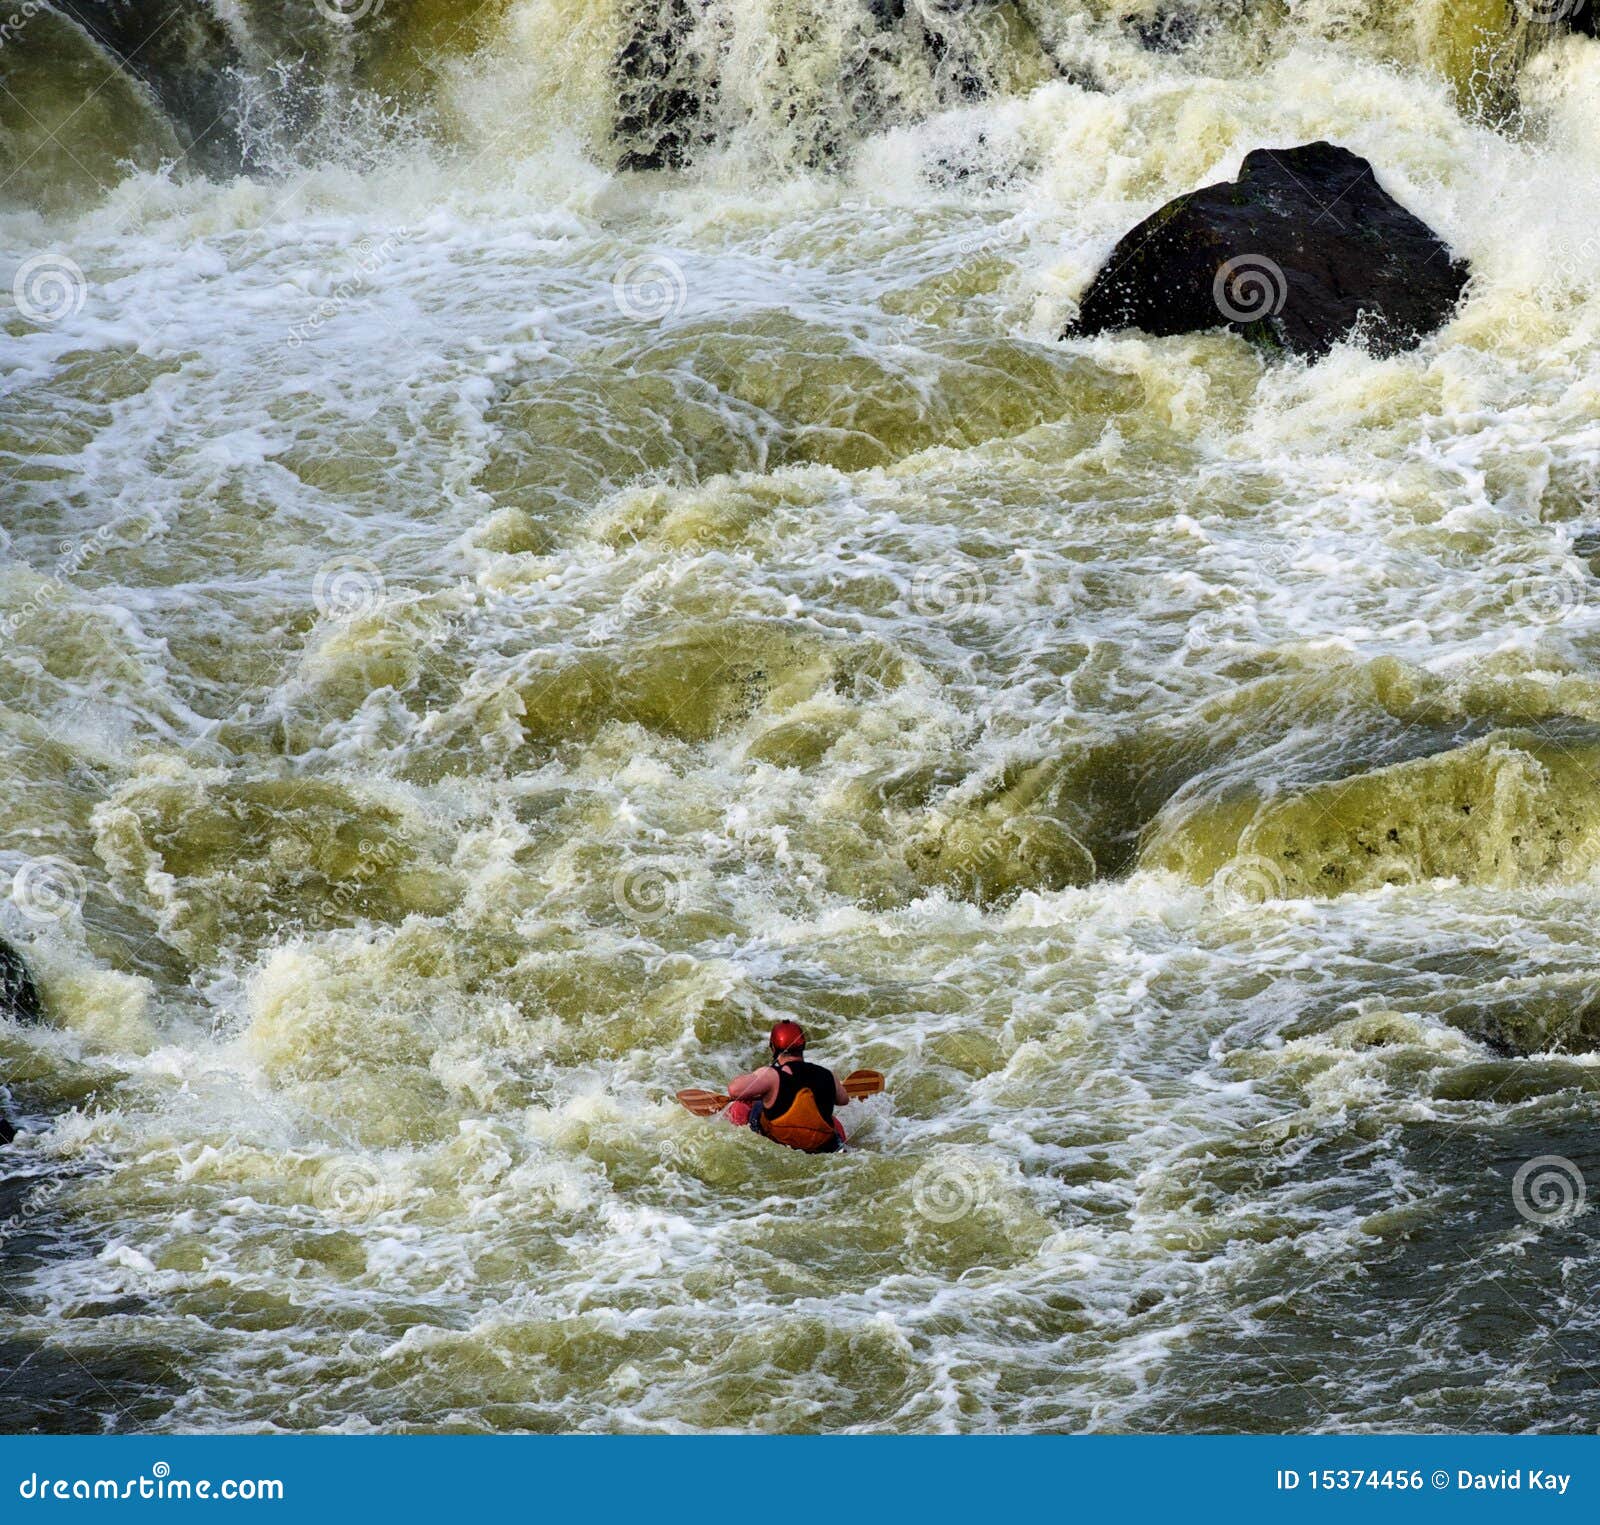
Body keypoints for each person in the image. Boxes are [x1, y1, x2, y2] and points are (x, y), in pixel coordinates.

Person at [724, 1021, 848, 1152]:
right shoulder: (828, 1075)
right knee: (833, 1121)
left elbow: (734, 1090)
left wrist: (759, 1092)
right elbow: (844, 1100)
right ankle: (843, 1148)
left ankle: (740, 1148)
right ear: (803, 1046)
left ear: (773, 1047)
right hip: (820, 1145)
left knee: (740, 1106)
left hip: (780, 1140)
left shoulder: (771, 1075)